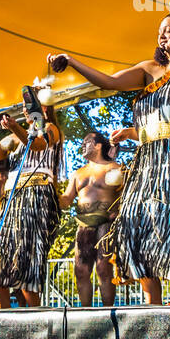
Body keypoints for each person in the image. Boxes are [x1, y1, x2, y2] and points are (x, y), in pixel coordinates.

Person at [48, 6, 170, 305]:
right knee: (135, 224)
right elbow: (109, 82)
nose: (162, 35)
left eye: (169, 30)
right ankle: (152, 309)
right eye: (160, 32)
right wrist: (71, 61)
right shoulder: (149, 69)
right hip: (148, 160)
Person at [0, 107, 64, 309]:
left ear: (43, 107)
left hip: (35, 196)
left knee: (26, 256)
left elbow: (37, 145)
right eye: (24, 105)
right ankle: (3, 311)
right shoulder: (14, 137)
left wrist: (14, 126)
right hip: (10, 200)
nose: (25, 108)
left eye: (30, 103)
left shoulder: (50, 128)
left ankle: (35, 314)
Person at [60, 131, 123, 307]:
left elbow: (126, 196)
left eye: (87, 142)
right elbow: (66, 199)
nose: (83, 145)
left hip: (107, 224)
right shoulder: (78, 173)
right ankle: (85, 313)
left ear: (98, 145)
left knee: (104, 269)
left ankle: (108, 313)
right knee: (81, 271)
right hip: (83, 226)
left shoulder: (115, 168)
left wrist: (118, 213)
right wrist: (52, 193)